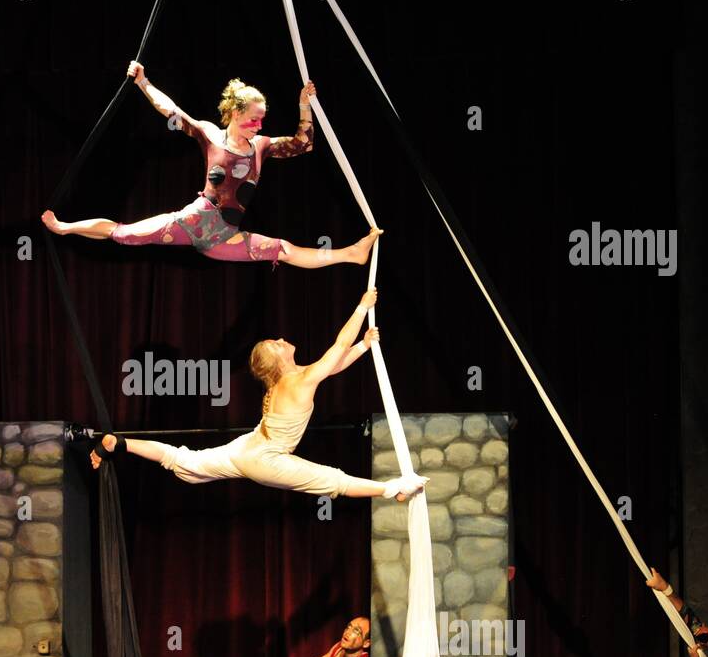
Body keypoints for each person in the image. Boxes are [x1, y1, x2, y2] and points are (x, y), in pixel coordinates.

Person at [91, 289, 427, 502]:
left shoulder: (294, 378)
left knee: (184, 459)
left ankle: (120, 443)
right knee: (329, 480)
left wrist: (364, 345)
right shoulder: (299, 380)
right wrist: (361, 306)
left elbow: (334, 365)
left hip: (248, 447)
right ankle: (392, 489)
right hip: (264, 458)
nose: (282, 339)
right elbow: (337, 348)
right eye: (277, 345)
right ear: (279, 360)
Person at [42, 62, 382, 269]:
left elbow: (303, 144)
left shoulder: (261, 147)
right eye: (253, 119)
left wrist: (303, 105)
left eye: (262, 119)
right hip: (194, 221)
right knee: (126, 234)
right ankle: (65, 227)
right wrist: (144, 83)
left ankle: (352, 254)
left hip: (225, 238)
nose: (259, 126)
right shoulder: (210, 135)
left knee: (286, 250)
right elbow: (170, 110)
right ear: (235, 114)